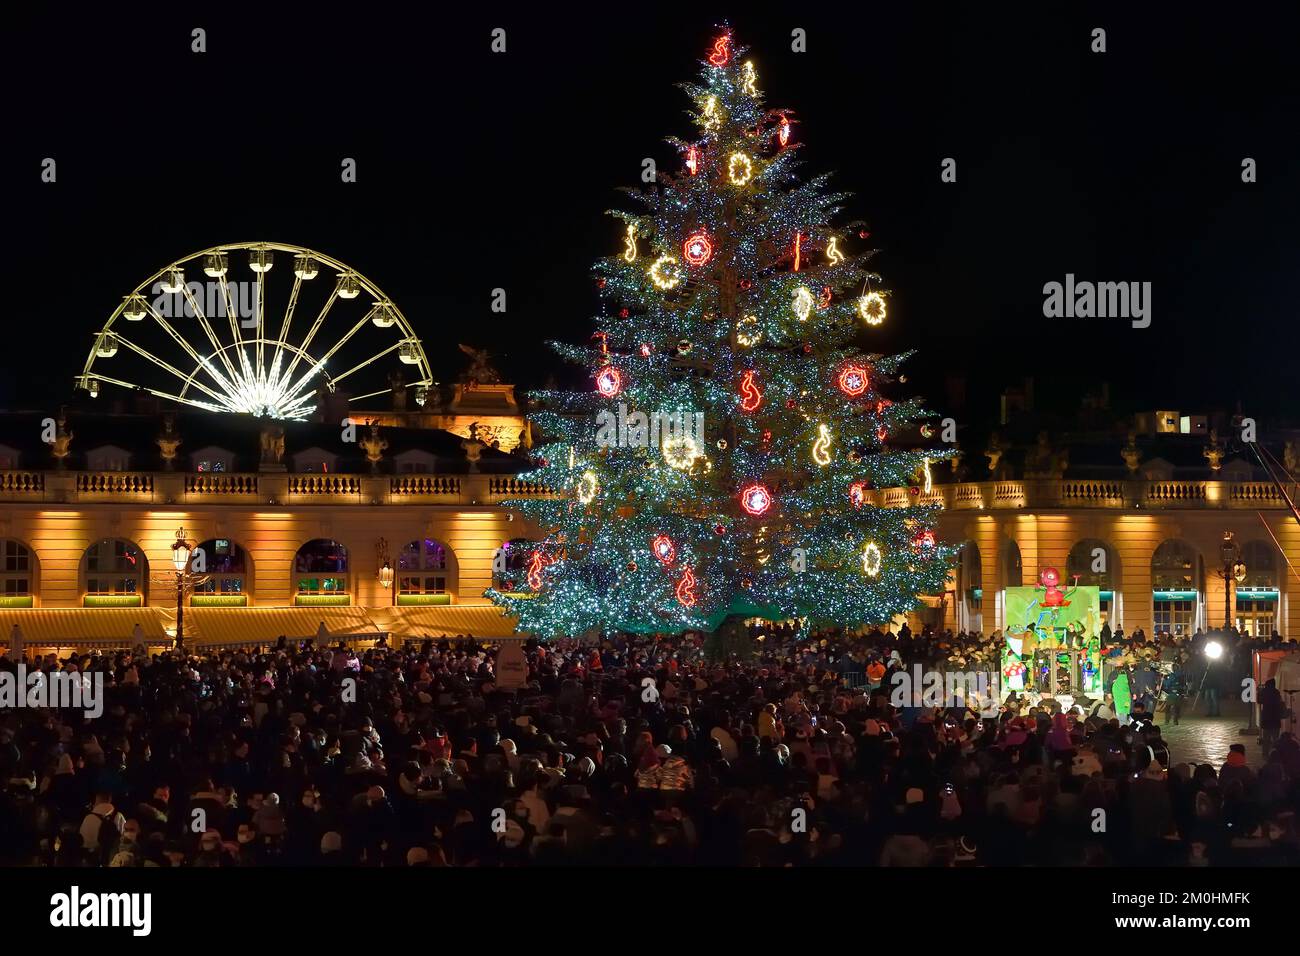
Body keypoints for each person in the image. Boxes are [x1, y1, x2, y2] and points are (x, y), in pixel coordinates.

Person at [1258, 678, 1284, 755]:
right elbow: (1279, 702)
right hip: (1275, 719)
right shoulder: (1276, 692)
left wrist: (1259, 692)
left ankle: (1265, 753)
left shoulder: (1264, 691)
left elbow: (1259, 701)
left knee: (1266, 738)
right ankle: (1276, 754)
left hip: (1266, 719)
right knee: (1276, 738)